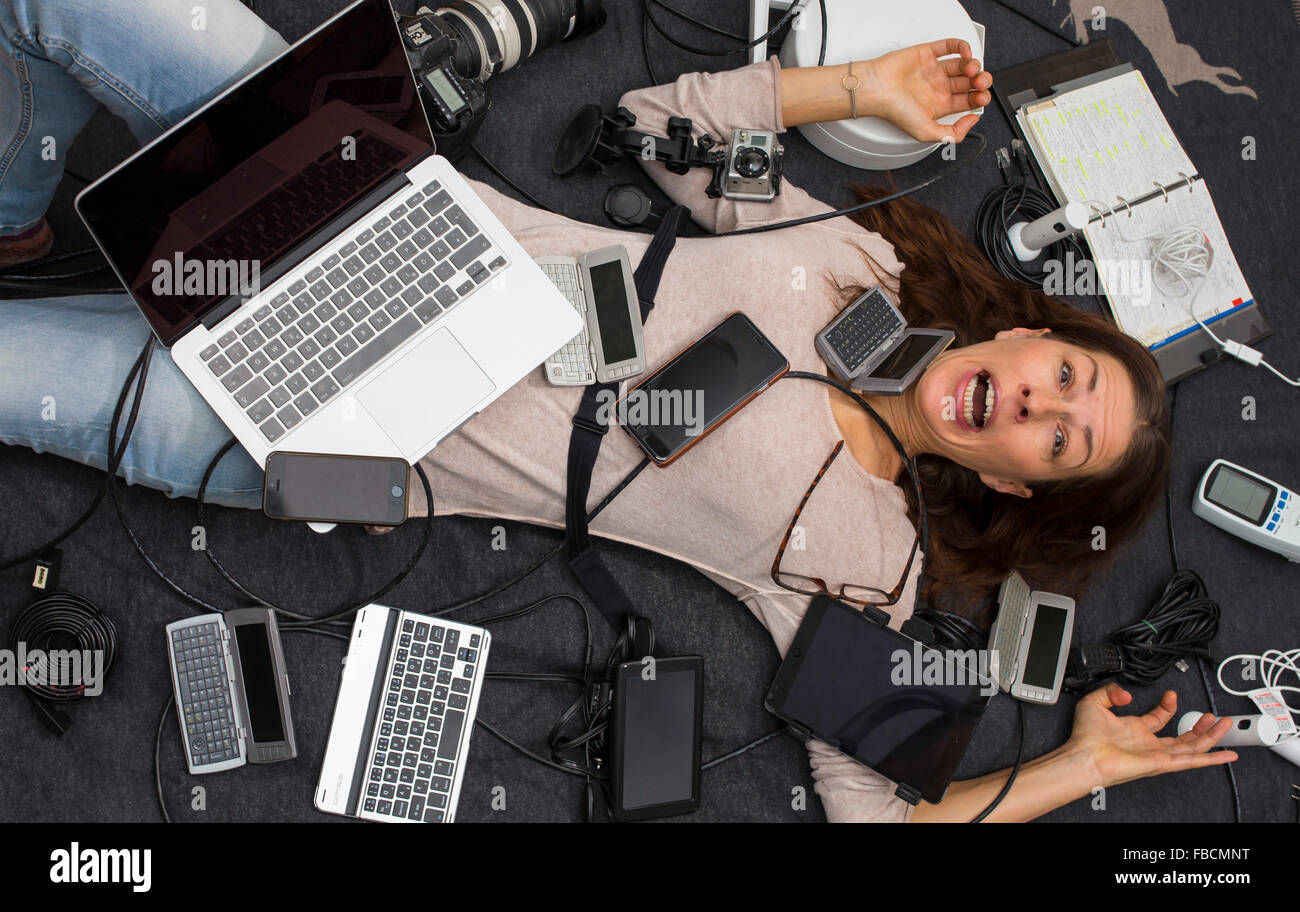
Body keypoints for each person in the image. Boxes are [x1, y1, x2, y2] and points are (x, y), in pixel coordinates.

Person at [0, 0, 1237, 822]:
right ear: (1030, 330)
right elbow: (663, 126)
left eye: (1057, 441)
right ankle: (21, 222)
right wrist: (858, 84)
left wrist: (1075, 766)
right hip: (366, 199)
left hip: (306, 423)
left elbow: (881, 820)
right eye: (1064, 374)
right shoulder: (857, 259)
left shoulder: (871, 565)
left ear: (1018, 483)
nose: (1035, 403)